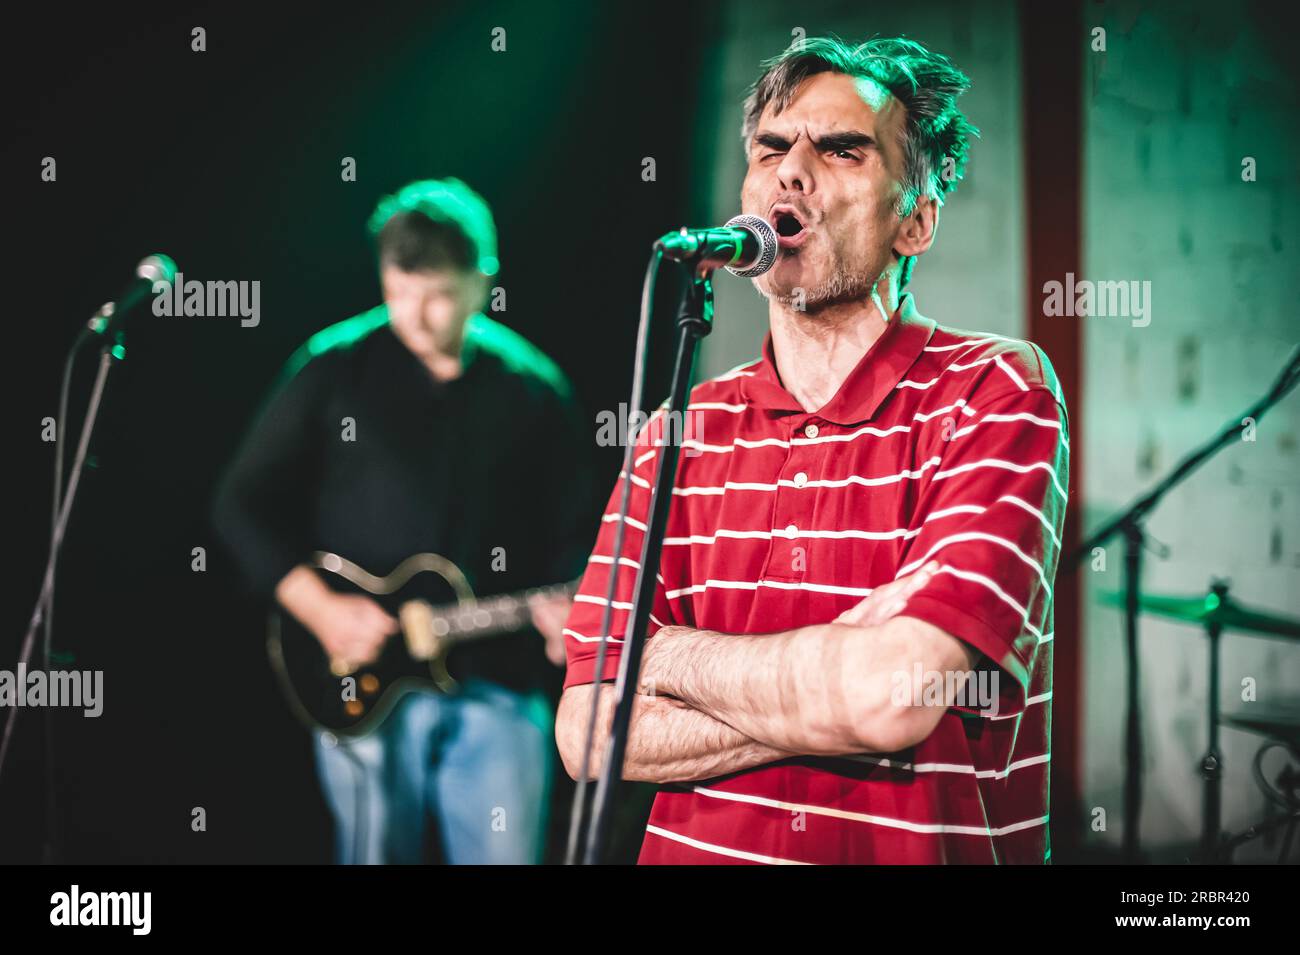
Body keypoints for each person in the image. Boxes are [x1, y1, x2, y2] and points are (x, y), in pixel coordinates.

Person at [556, 36, 1069, 864]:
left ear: (916, 220)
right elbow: (588, 732)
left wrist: (671, 657)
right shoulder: (675, 432)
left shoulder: (996, 390)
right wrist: (835, 675)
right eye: (771, 148)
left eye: (841, 149)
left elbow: (891, 698)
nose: (792, 170)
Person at [215, 178, 590, 864]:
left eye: (441, 292)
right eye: (399, 289)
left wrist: (573, 607)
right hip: (365, 683)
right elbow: (241, 503)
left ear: (484, 281)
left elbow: (580, 532)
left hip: (499, 686)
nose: (417, 313)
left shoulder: (535, 390)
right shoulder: (333, 367)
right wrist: (322, 609)